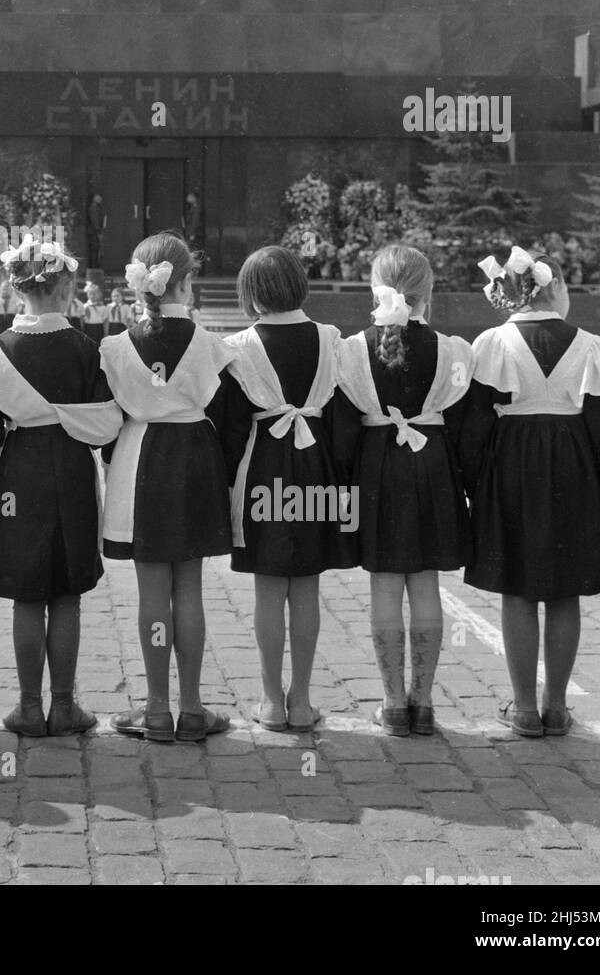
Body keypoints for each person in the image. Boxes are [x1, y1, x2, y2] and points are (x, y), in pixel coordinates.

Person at [462, 246, 600, 738]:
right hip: (573, 467)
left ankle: (525, 708)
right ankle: (557, 706)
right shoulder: (591, 345)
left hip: (511, 468)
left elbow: (474, 425)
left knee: (518, 587)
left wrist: (474, 485)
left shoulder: (491, 342)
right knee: (565, 588)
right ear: (555, 287)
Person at [0, 237, 121, 737]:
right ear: (67, 288)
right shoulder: (85, 347)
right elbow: (105, 423)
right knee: (68, 593)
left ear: (15, 290)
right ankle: (65, 705)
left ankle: (29, 707)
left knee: (27, 594)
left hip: (21, 471)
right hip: (73, 467)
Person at [333, 246, 474, 736]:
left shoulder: (352, 350)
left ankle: (392, 702)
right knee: (426, 582)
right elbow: (462, 425)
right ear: (427, 292)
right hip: (430, 463)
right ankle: (423, 701)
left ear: (375, 289)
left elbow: (344, 428)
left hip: (377, 467)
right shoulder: (454, 350)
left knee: (385, 584)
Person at [100, 232, 234, 743]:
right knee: (190, 589)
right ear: (186, 282)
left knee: (152, 590)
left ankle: (157, 709)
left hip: (141, 463)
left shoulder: (115, 346)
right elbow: (228, 418)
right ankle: (193, 707)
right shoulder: (209, 344)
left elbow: (108, 420)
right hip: (194, 461)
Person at [223, 245, 356, 733]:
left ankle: (270, 700)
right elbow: (344, 421)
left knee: (268, 586)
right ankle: (301, 699)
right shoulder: (330, 339)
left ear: (251, 293)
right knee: (306, 586)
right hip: (315, 466)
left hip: (262, 469)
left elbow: (232, 429)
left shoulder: (238, 347)